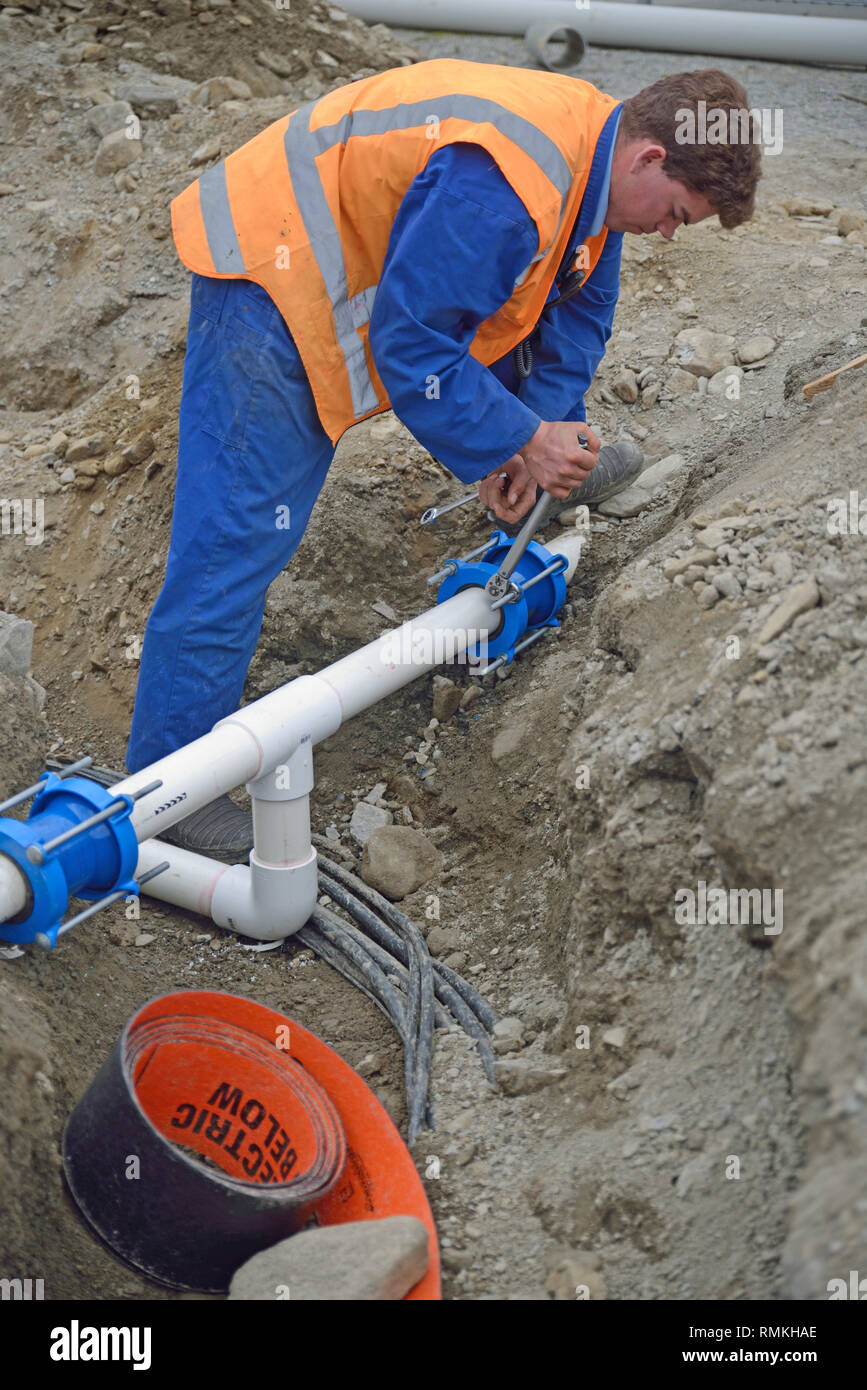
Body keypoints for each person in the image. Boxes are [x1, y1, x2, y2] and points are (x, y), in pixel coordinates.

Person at [125, 59, 761, 857]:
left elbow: (579, 301)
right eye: (673, 214)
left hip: (396, 265)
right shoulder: (506, 183)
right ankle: (167, 786)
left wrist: (542, 442)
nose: (667, 233)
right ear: (648, 160)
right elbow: (409, 342)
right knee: (235, 541)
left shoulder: (599, 157)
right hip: (274, 270)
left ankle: (549, 477)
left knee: (524, 398)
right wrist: (517, 438)